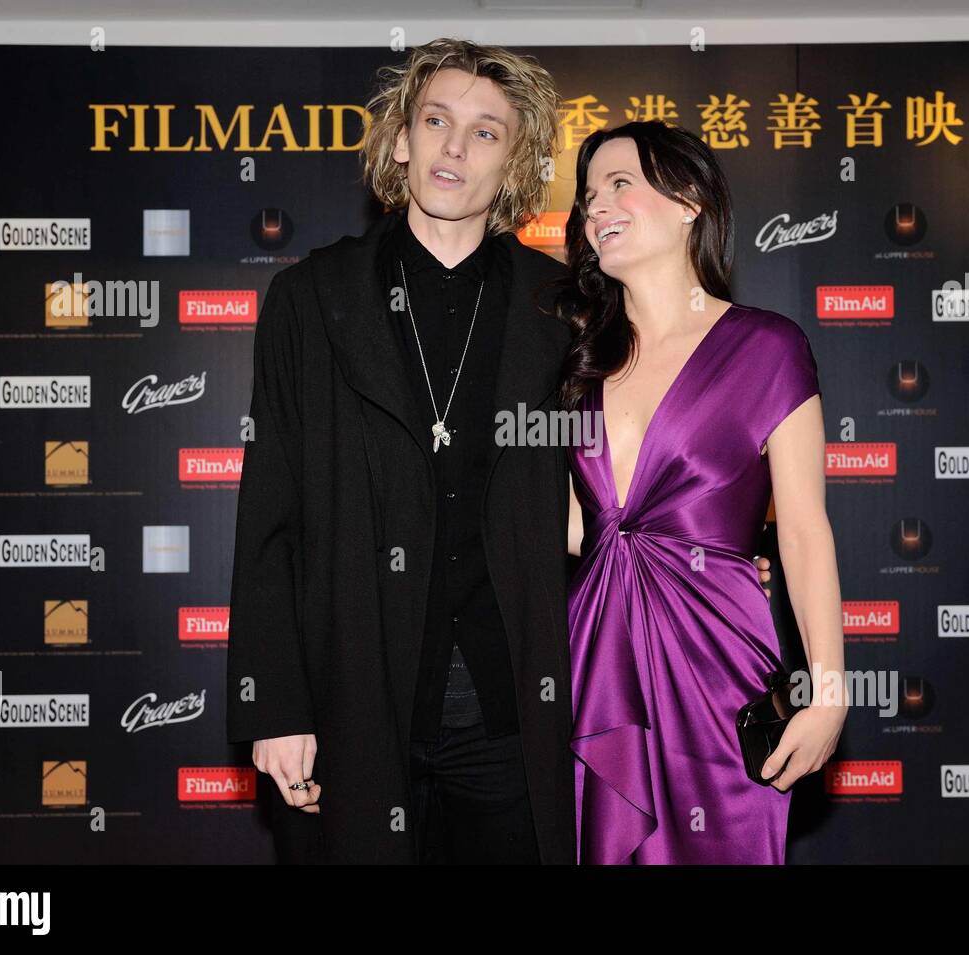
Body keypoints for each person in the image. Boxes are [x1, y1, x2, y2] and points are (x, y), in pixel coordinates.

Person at [226, 39, 778, 864]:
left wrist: (716, 559)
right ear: (402, 139)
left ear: (515, 162)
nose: (455, 146)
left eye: (486, 132)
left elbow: (630, 475)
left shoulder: (564, 308)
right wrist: (275, 703)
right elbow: (271, 511)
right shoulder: (311, 299)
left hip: (518, 711)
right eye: (437, 121)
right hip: (355, 697)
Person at [560, 121, 847, 864]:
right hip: (594, 656)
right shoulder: (580, 366)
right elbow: (568, 529)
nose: (597, 208)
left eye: (621, 184)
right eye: (588, 196)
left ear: (689, 200)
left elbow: (804, 533)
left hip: (717, 660)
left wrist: (829, 687)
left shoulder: (767, 348)